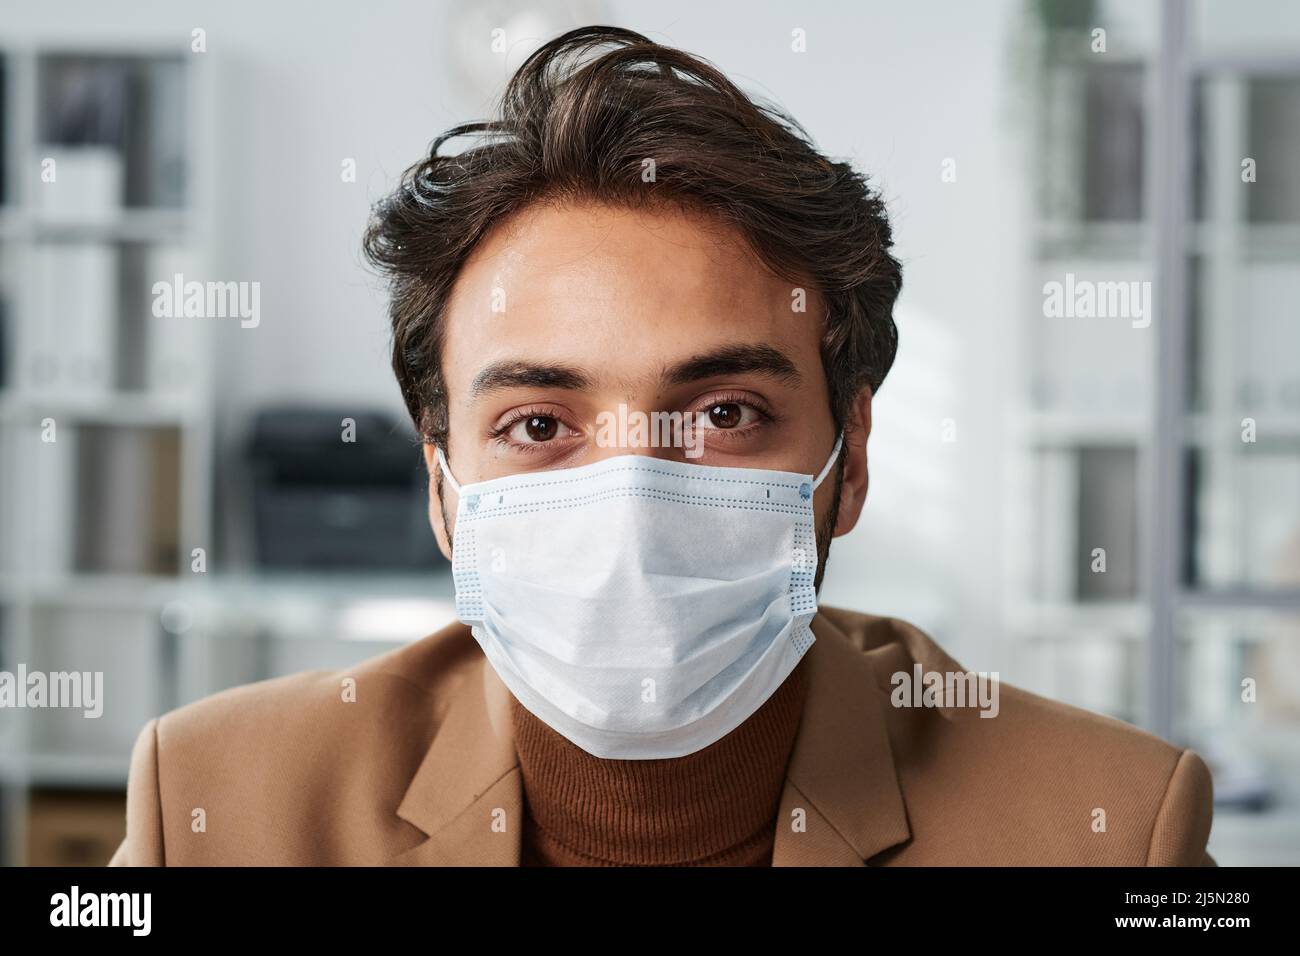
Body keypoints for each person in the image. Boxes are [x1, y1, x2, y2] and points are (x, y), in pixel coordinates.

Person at [109, 25, 1214, 867]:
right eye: (538, 424)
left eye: (723, 413)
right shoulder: (213, 807)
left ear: (853, 455)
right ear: (442, 486)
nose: (630, 499)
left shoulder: (1111, 826)